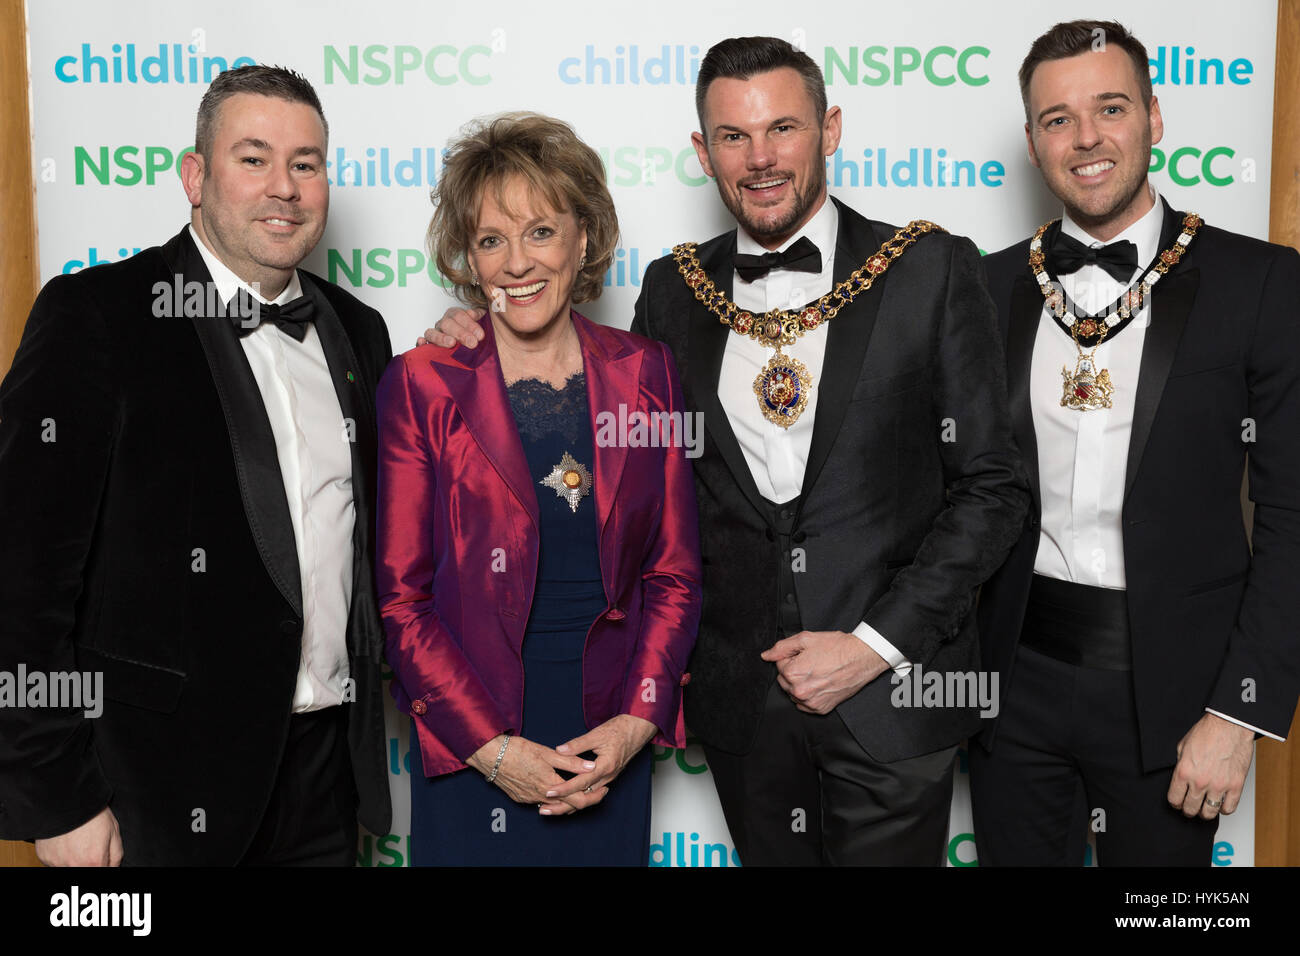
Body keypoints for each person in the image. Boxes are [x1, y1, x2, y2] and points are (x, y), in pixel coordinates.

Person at [428, 38, 1028, 866]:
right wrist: (474, 338)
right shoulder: (675, 292)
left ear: (831, 129)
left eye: (783, 127)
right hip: (740, 703)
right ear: (703, 152)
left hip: (894, 692)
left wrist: (872, 646)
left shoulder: (929, 268)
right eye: (735, 137)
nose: (762, 158)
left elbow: (991, 490)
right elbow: (635, 493)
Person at [0, 65, 393, 865]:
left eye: (306, 164)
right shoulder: (96, 317)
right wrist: (56, 802)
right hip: (147, 790)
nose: (284, 186)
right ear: (195, 176)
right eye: (253, 158)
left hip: (324, 783)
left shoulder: (359, 329)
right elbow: (19, 575)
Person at [972, 20, 1300, 866]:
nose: (1086, 139)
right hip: (1012, 687)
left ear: (1154, 117)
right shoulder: (985, 284)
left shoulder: (1260, 285)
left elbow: (1294, 514)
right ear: (1033, 139)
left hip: (1178, 693)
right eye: (1057, 118)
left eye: (1110, 108)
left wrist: (1239, 712)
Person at [377, 112, 701, 866]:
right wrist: (492, 751)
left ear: (583, 238)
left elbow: (674, 573)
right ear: (469, 256)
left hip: (606, 743)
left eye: (540, 233)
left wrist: (634, 727)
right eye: (491, 239)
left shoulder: (647, 372)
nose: (517, 263)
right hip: (473, 738)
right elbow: (402, 599)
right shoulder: (423, 382)